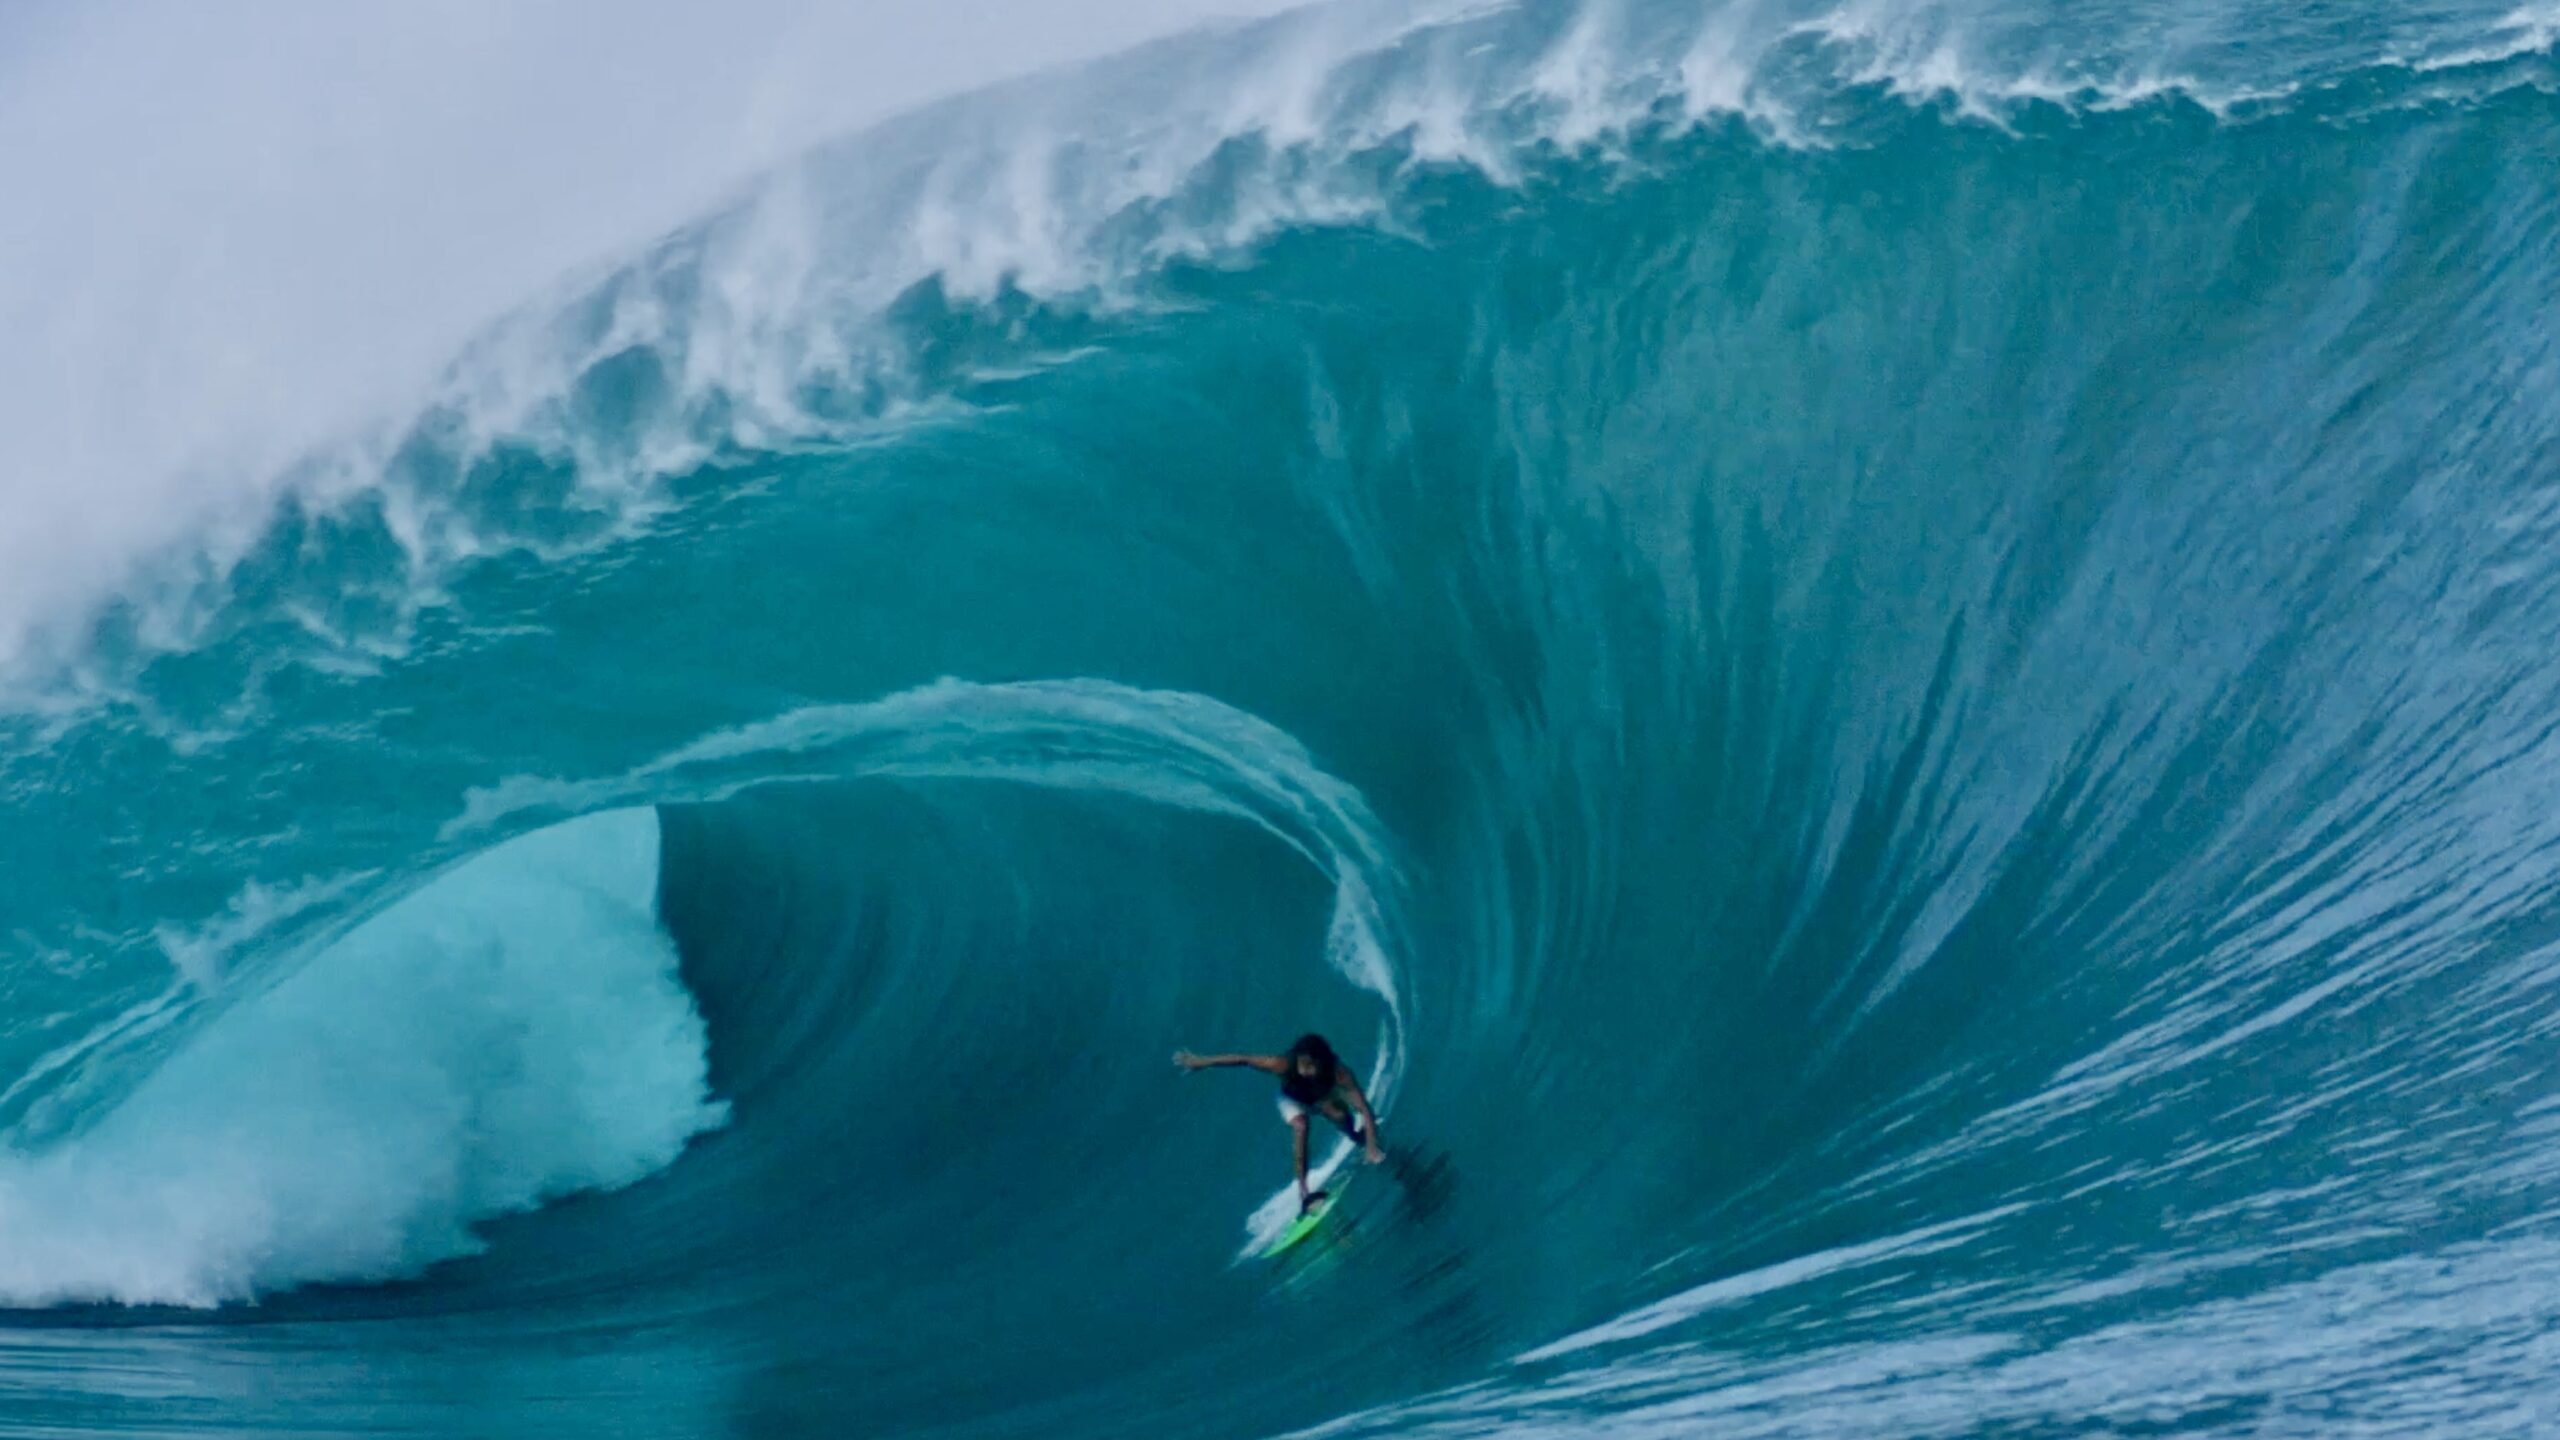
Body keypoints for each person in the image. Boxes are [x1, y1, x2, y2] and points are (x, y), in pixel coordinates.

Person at [1174, 1033, 1386, 1213]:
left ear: (1322, 1061)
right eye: (1301, 1064)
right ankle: (1305, 1193)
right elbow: (1243, 1059)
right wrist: (1203, 1062)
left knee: (1340, 1117)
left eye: (1309, 1065)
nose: (1303, 1070)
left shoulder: (1340, 1073)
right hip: (1291, 1099)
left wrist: (1371, 1148)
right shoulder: (1281, 1064)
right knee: (1301, 1126)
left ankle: (1357, 1138)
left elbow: (1364, 1108)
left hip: (1319, 1096)